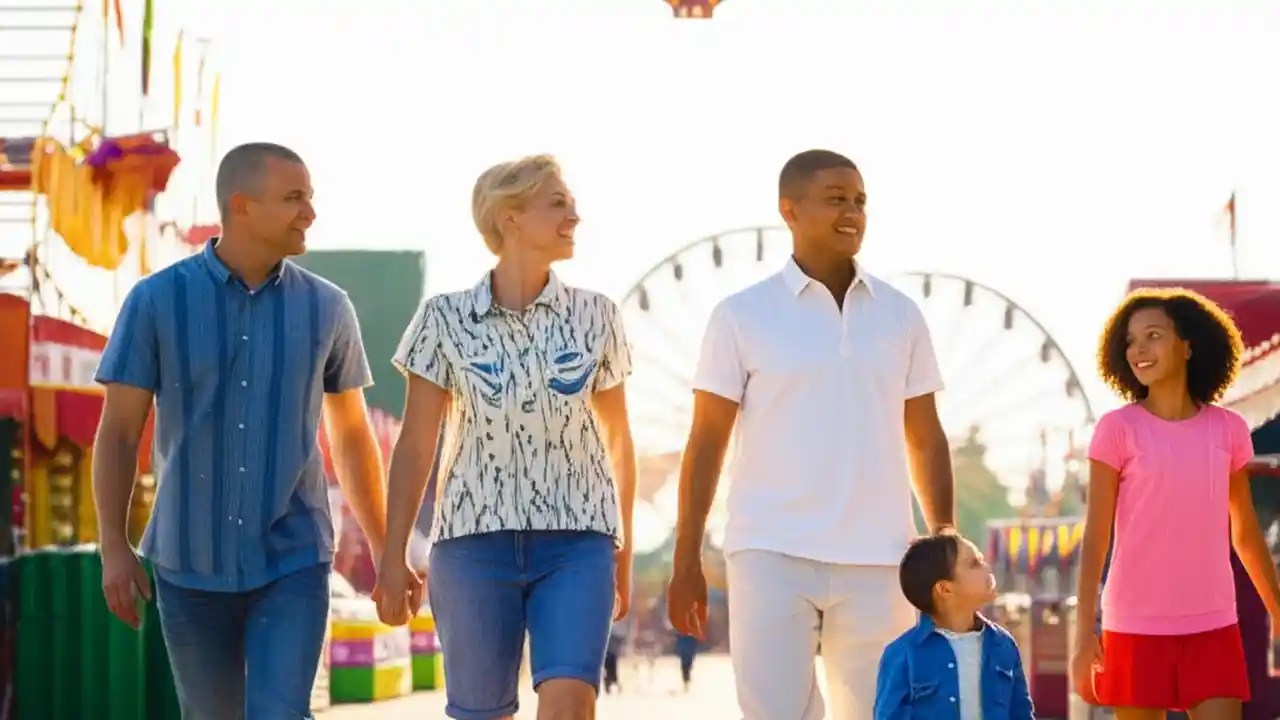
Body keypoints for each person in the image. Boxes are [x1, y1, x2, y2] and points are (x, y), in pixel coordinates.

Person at [92, 142, 389, 719]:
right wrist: (112, 547)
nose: (310, 211)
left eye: (309, 197)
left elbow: (352, 437)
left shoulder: (329, 308)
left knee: (281, 714)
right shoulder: (155, 302)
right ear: (243, 206)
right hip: (187, 560)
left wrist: (385, 549)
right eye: (294, 198)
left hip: (293, 559)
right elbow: (120, 433)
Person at [666, 149, 956, 719]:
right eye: (836, 198)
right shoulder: (740, 315)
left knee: (881, 712)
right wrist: (686, 560)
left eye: (860, 200)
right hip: (769, 549)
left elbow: (925, 435)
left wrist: (943, 537)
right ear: (789, 210)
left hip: (880, 556)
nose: (853, 211)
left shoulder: (901, 315)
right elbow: (705, 443)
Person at [373, 153, 637, 720]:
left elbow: (619, 443)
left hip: (577, 541)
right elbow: (416, 443)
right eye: (558, 203)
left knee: (569, 702)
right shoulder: (441, 319)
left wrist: (625, 551)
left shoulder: (598, 317)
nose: (575, 216)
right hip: (472, 543)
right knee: (479, 714)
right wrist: (393, 556)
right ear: (509, 218)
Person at [1071, 288, 1280, 720]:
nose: (1139, 349)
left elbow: (1244, 532)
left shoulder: (1229, 430)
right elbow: (1095, 537)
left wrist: (1278, 611)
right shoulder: (1116, 430)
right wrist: (1082, 635)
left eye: (1153, 335)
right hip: (1133, 627)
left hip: (1214, 627)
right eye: (1130, 341)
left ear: (1188, 346)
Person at [873, 530, 1034, 719]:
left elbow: (1021, 711)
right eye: (974, 564)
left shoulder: (1003, 644)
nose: (987, 568)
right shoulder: (903, 654)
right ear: (945, 589)